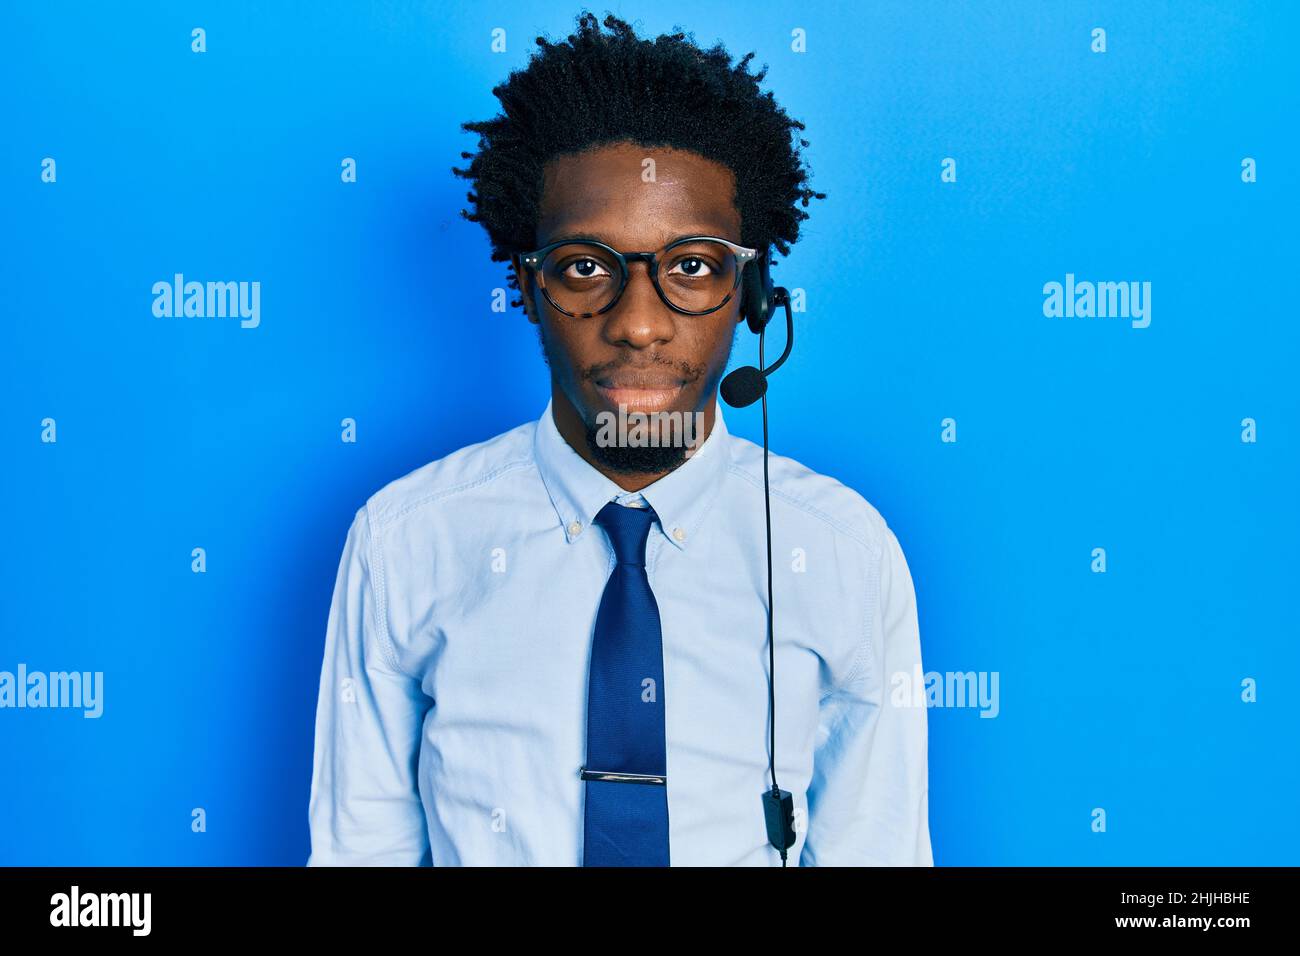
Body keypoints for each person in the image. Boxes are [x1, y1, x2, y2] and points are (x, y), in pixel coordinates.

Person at [307, 12, 932, 867]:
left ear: (753, 298)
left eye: (692, 267)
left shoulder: (841, 553)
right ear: (526, 289)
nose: (638, 326)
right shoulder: (405, 540)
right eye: (585, 267)